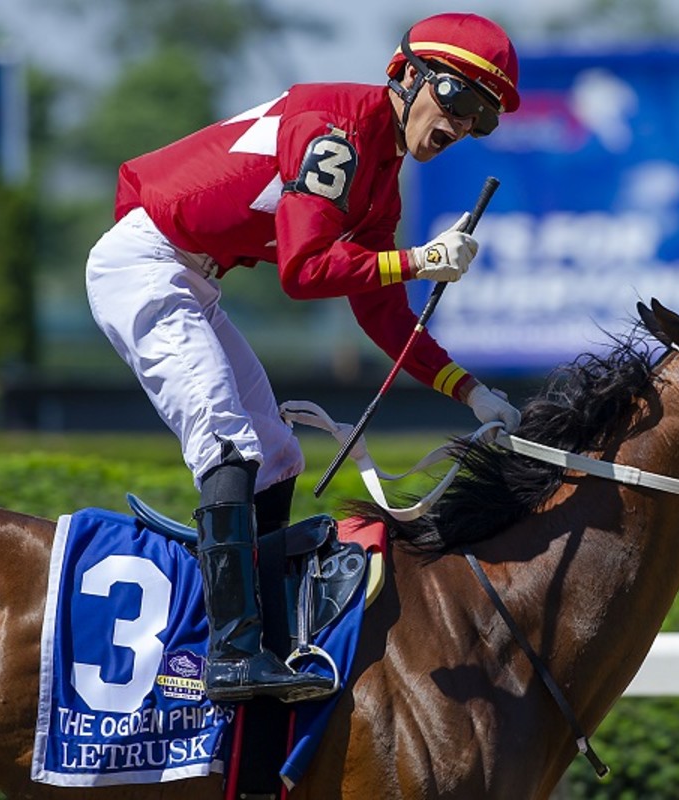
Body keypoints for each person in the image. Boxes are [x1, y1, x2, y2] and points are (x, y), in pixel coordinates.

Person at [85, 12, 522, 704]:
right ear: (405, 75)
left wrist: (468, 391)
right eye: (459, 100)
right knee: (229, 447)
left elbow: (379, 309)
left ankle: (267, 635)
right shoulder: (337, 133)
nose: (462, 126)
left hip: (191, 277)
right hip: (146, 265)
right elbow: (305, 270)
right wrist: (420, 258)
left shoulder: (380, 171)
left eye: (483, 118)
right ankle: (229, 657)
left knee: (279, 454)